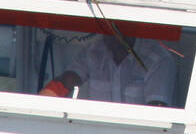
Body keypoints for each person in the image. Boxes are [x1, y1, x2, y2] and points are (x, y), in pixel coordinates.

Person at [38, 33, 180, 107]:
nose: (113, 32)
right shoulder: (94, 51)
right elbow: (66, 81)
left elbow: (157, 113)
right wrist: (39, 106)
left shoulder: (157, 59)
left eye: (118, 27)